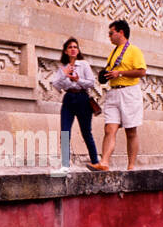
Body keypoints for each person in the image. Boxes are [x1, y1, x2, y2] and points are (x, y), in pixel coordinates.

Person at [89, 19, 146, 171]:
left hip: (129, 92)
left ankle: (131, 165)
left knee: (131, 131)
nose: (109, 36)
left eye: (111, 33)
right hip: (113, 92)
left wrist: (120, 72)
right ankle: (104, 162)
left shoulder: (134, 50)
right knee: (109, 129)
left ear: (121, 32)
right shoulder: (113, 53)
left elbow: (141, 71)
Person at [49, 37, 99, 173]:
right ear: (65, 51)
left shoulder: (84, 64)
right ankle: (65, 165)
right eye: (70, 47)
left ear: (78, 50)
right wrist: (63, 75)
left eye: (75, 47)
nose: (73, 49)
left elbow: (91, 83)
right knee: (65, 131)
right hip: (68, 98)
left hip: (82, 98)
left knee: (86, 132)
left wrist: (78, 79)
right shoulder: (63, 67)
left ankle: (96, 162)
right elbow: (56, 85)